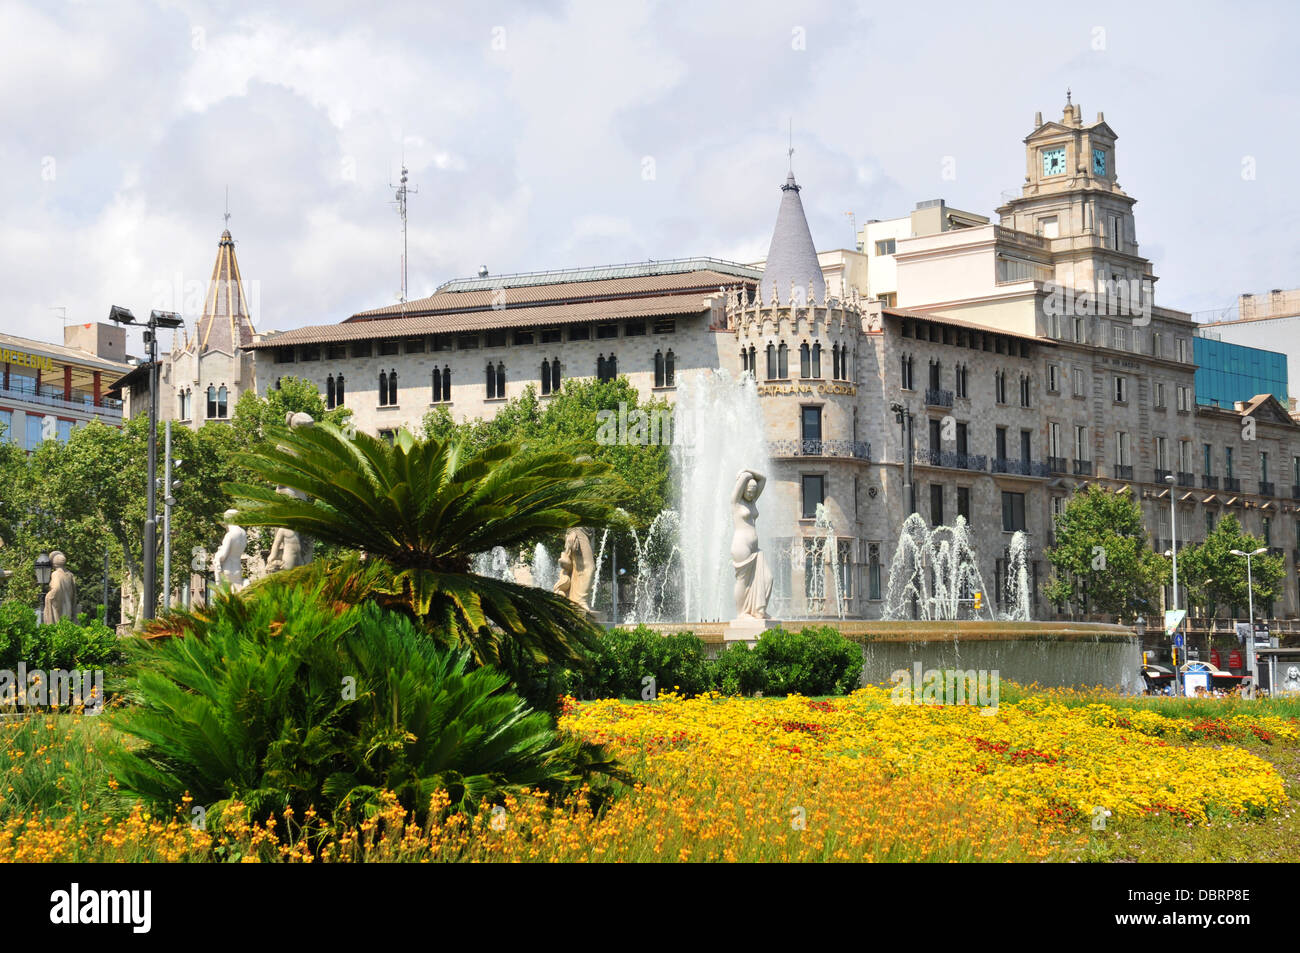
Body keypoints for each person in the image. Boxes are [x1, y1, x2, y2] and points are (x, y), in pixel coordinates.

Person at [731, 468, 773, 620]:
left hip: (755, 549)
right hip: (741, 546)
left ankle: (758, 610)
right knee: (742, 580)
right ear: (743, 490)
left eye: (754, 492)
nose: (751, 494)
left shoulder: (752, 502)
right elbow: (741, 484)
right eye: (749, 491)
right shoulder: (736, 502)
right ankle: (742, 614)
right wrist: (745, 475)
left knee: (768, 578)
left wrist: (747, 469)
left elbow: (763, 479)